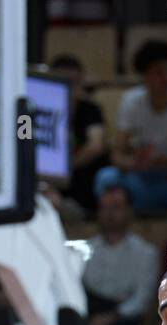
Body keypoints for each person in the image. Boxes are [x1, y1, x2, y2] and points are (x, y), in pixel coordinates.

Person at [95, 39, 167, 214]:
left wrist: (159, 159)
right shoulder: (131, 101)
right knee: (106, 178)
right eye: (159, 72)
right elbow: (117, 155)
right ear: (145, 77)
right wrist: (136, 162)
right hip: (143, 176)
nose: (166, 77)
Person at [82, 184, 158, 325]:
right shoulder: (85, 250)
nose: (109, 213)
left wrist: (112, 316)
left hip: (122, 317)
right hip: (90, 311)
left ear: (129, 211)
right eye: (104, 207)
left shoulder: (145, 252)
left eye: (116, 207)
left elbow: (142, 300)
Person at [49, 54, 109, 217]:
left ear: (81, 82)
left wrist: (65, 169)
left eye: (73, 83)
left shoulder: (90, 110)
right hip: (52, 188)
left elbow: (96, 146)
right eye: (64, 83)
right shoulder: (43, 112)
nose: (69, 88)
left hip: (81, 190)